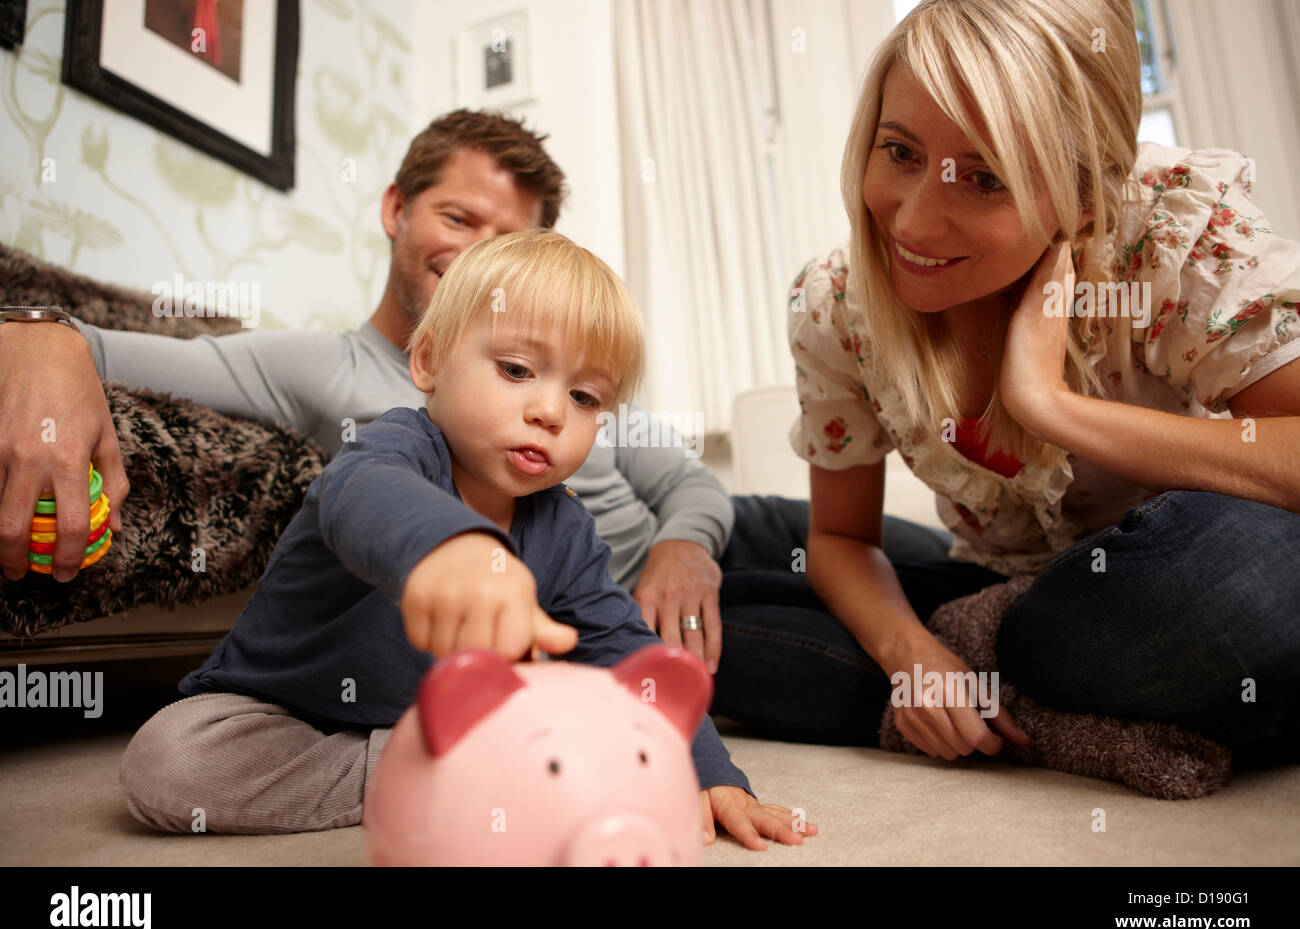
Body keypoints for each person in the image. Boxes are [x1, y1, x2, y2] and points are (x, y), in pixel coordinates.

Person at [0, 108, 950, 676]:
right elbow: (87, 341)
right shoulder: (318, 368)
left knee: (934, 559)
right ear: (395, 210)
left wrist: (681, 547)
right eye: (458, 218)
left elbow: (691, 481)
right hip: (614, 597)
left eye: (506, 242)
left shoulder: (572, 372)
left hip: (715, 537)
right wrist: (46, 350)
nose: (475, 260)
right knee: (849, 652)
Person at [709, 0, 1300, 763]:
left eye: (984, 179)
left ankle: (1011, 689)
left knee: (1233, 589)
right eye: (900, 152)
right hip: (1002, 594)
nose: (914, 225)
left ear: (1085, 199)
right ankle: (1046, 701)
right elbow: (841, 540)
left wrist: (1046, 404)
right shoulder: (836, 303)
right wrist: (911, 659)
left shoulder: (1170, 232)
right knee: (725, 615)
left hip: (1162, 577)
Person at [119, 230, 817, 850]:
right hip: (277, 714)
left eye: (585, 398)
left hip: (453, 721)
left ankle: (473, 764)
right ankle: (469, 771)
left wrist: (705, 771)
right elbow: (358, 498)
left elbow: (627, 650)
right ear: (428, 363)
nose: (548, 410)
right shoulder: (394, 445)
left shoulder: (564, 524)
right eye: (516, 370)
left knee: (583, 693)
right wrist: (448, 548)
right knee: (171, 762)